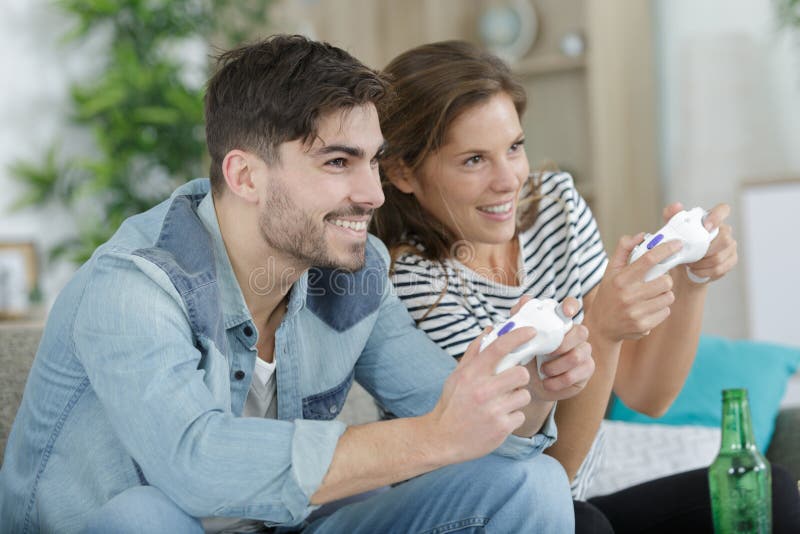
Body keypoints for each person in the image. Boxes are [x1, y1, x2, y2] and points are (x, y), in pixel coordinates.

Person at [0, 35, 597, 533]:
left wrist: (531, 387)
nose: (373, 193)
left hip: (284, 525)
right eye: (338, 162)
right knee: (143, 517)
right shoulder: (133, 287)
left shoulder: (358, 273)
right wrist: (433, 437)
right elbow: (195, 467)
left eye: (372, 160)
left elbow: (450, 411)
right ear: (245, 175)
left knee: (528, 484)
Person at [372, 40, 800, 533]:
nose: (508, 180)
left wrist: (691, 278)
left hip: (577, 499)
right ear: (403, 171)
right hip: (490, 515)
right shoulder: (414, 285)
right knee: (587, 524)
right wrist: (602, 330)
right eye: (473, 160)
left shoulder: (554, 205)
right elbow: (541, 476)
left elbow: (647, 394)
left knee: (772, 494)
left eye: (514, 147)